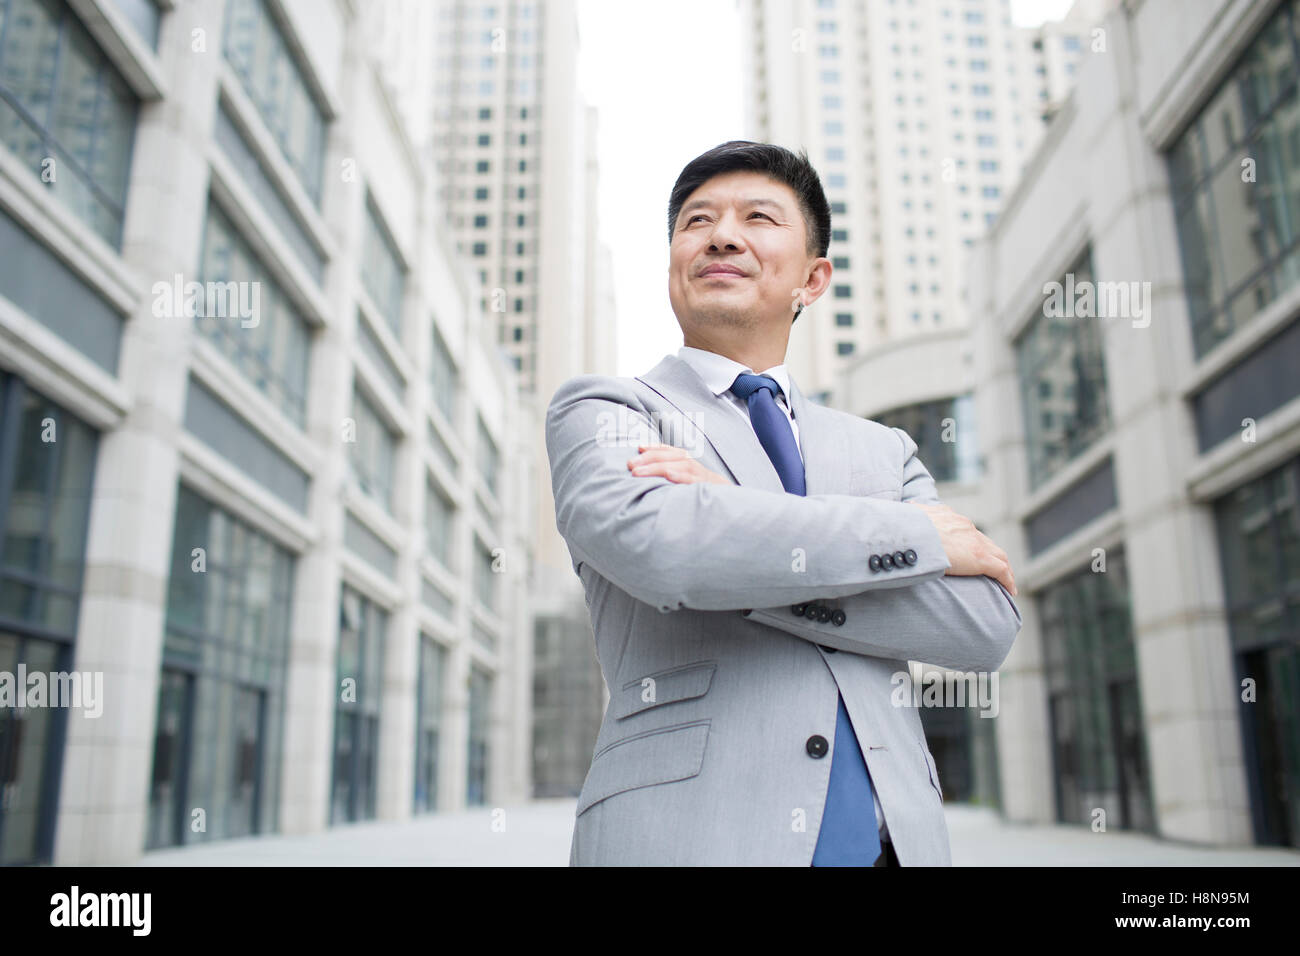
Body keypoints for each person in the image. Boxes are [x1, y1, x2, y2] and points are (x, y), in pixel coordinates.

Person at [545, 140, 1021, 866]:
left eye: (759, 217)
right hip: (686, 840)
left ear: (813, 277)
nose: (722, 235)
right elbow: (666, 550)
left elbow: (982, 627)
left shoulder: (883, 449)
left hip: (894, 845)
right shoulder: (606, 409)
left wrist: (735, 529)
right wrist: (909, 535)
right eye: (696, 221)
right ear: (674, 263)